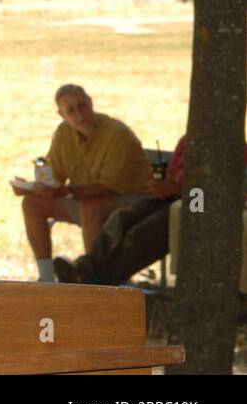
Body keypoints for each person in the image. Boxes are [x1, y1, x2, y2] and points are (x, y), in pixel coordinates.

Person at [54, 135, 247, 285]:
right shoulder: (189, 139)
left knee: (141, 235)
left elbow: (220, 191)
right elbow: (173, 173)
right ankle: (85, 270)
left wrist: (180, 189)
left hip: (193, 207)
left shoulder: (235, 148)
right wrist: (164, 184)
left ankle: (92, 281)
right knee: (122, 219)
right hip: (169, 197)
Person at [14, 84, 150, 282]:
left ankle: (95, 277)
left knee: (90, 207)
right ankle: (46, 277)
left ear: (91, 103)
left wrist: (65, 191)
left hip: (134, 204)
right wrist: (31, 187)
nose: (80, 114)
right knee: (32, 204)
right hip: (85, 199)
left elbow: (108, 187)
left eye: (82, 106)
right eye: (71, 110)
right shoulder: (63, 133)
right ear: (61, 115)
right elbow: (54, 179)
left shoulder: (116, 133)